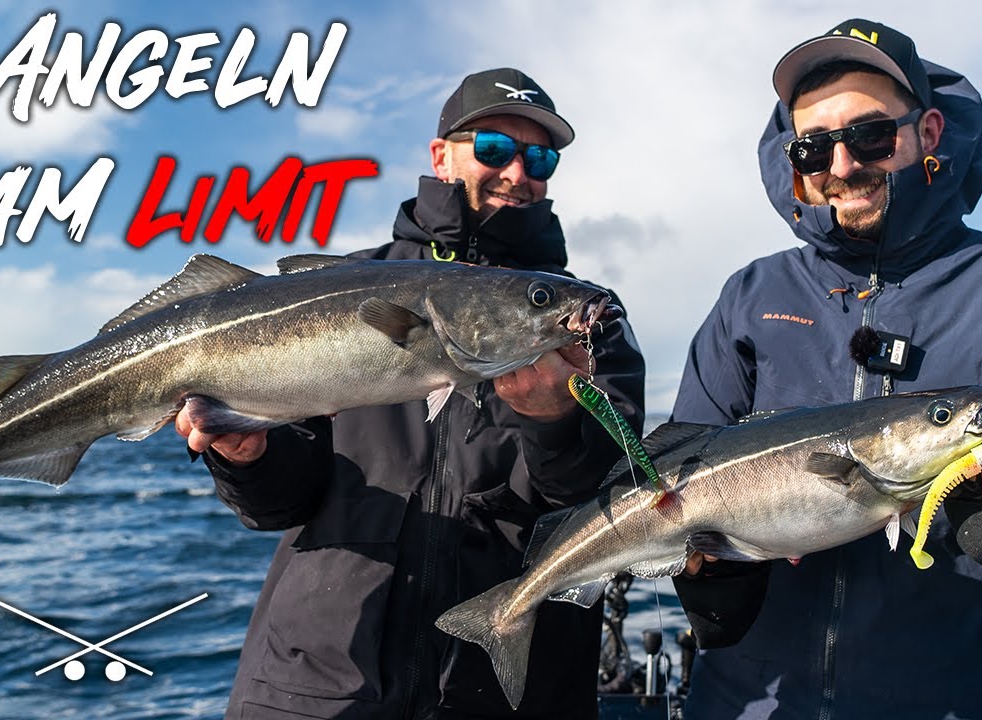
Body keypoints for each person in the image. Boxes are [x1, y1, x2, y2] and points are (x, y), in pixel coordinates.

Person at [670, 19, 982, 719]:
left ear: (928, 133)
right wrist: (710, 582)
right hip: (746, 703)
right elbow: (675, 470)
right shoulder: (750, 297)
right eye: (812, 147)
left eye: (869, 135)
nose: (840, 165)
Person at [177, 68, 646, 719]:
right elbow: (283, 505)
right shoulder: (341, 290)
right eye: (492, 149)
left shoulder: (584, 316)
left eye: (538, 156)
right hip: (314, 687)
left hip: (512, 692)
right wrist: (246, 457)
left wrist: (557, 422)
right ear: (440, 154)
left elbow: (620, 499)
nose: (516, 171)